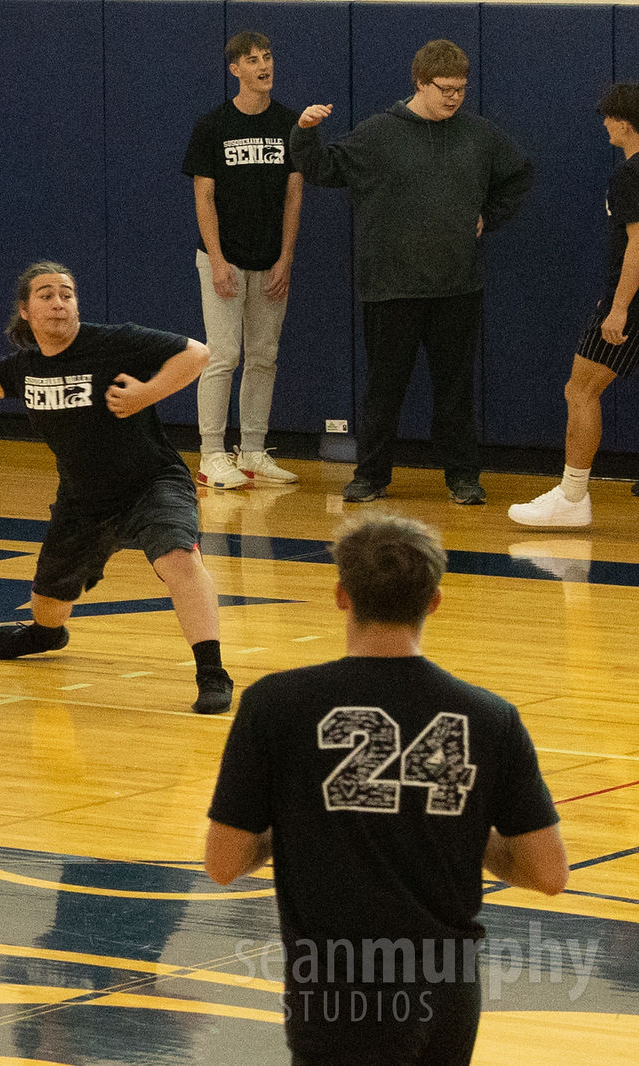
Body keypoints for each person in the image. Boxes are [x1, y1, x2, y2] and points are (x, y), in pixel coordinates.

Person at [205, 512, 568, 1065]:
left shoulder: (276, 705)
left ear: (341, 595)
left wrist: (306, 820)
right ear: (435, 601)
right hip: (449, 991)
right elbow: (548, 873)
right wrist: (458, 827)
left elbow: (224, 862)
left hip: (338, 993)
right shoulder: (491, 717)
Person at [0, 261, 234, 715]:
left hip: (152, 482)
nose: (59, 303)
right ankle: (46, 635)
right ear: (25, 310)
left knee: (179, 558)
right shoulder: (26, 367)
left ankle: (212, 673)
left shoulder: (112, 342)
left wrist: (147, 393)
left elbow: (196, 353)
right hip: (84, 500)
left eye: (67, 294)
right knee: (48, 601)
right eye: (46, 295)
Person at [292, 40, 533, 506]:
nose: (454, 97)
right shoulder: (378, 133)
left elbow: (517, 174)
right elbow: (322, 169)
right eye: (445, 89)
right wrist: (304, 131)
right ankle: (370, 476)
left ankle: (463, 477)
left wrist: (490, 215)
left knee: (456, 391)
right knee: (384, 390)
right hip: (391, 286)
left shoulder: (479, 135)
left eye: (461, 89)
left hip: (457, 286)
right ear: (420, 83)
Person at [509, 83, 639, 528]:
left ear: (624, 124)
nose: (605, 125)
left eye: (608, 118)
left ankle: (572, 496)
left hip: (631, 303)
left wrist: (619, 307)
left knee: (580, 390)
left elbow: (638, 244)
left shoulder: (630, 174)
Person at [183, 29, 304, 490]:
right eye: (252, 60)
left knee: (264, 356)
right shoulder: (212, 126)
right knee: (223, 355)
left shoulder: (289, 124)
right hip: (224, 259)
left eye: (267, 57)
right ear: (235, 69)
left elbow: (294, 196)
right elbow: (203, 198)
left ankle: (252, 450)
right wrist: (217, 260)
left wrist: (285, 259)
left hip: (270, 260)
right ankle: (211, 455)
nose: (263, 65)